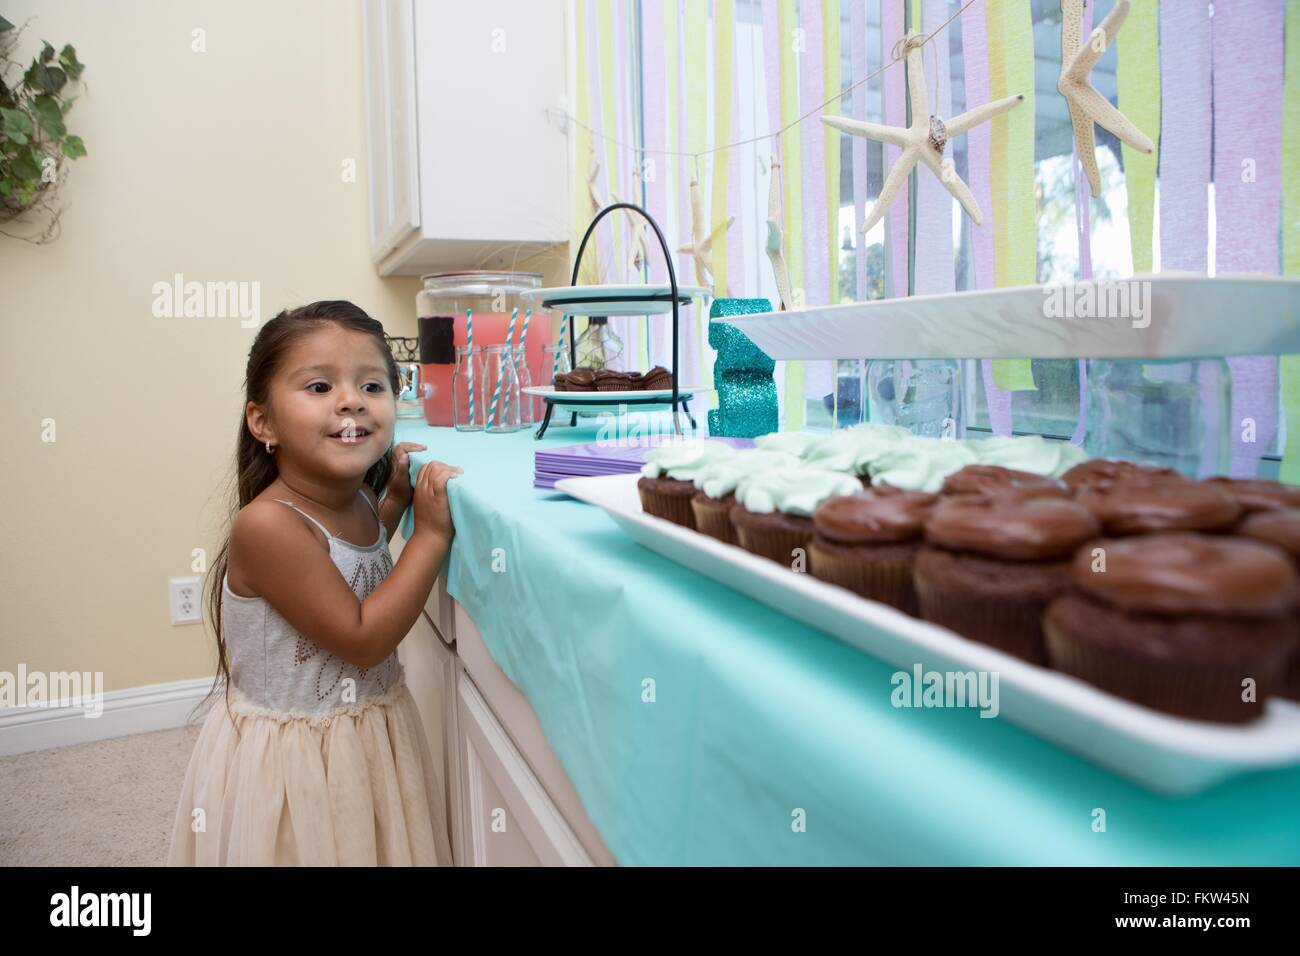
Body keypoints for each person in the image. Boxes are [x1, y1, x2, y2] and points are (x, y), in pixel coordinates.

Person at [168, 300, 462, 865]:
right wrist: (429, 537)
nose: (351, 400)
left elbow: (354, 559)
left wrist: (395, 501)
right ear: (264, 423)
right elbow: (362, 637)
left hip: (363, 733)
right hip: (300, 757)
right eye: (320, 386)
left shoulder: (351, 502)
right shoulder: (268, 526)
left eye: (372, 386)